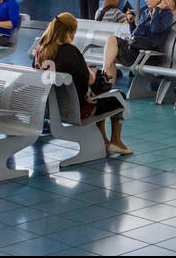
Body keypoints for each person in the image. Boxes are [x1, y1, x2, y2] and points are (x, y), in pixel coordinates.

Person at [35, 12, 130, 156]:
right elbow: (89, 80)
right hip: (77, 110)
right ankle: (116, 141)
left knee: (100, 95)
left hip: (49, 108)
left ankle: (103, 140)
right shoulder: (70, 51)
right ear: (69, 32)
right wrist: (91, 71)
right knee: (117, 96)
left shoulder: (40, 51)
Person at [101, 0, 175, 80]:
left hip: (148, 54)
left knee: (112, 41)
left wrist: (157, 10)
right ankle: (107, 84)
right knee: (111, 58)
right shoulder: (146, 13)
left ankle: (103, 73)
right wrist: (131, 23)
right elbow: (135, 34)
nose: (146, 0)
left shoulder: (167, 15)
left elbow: (155, 29)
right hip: (136, 50)